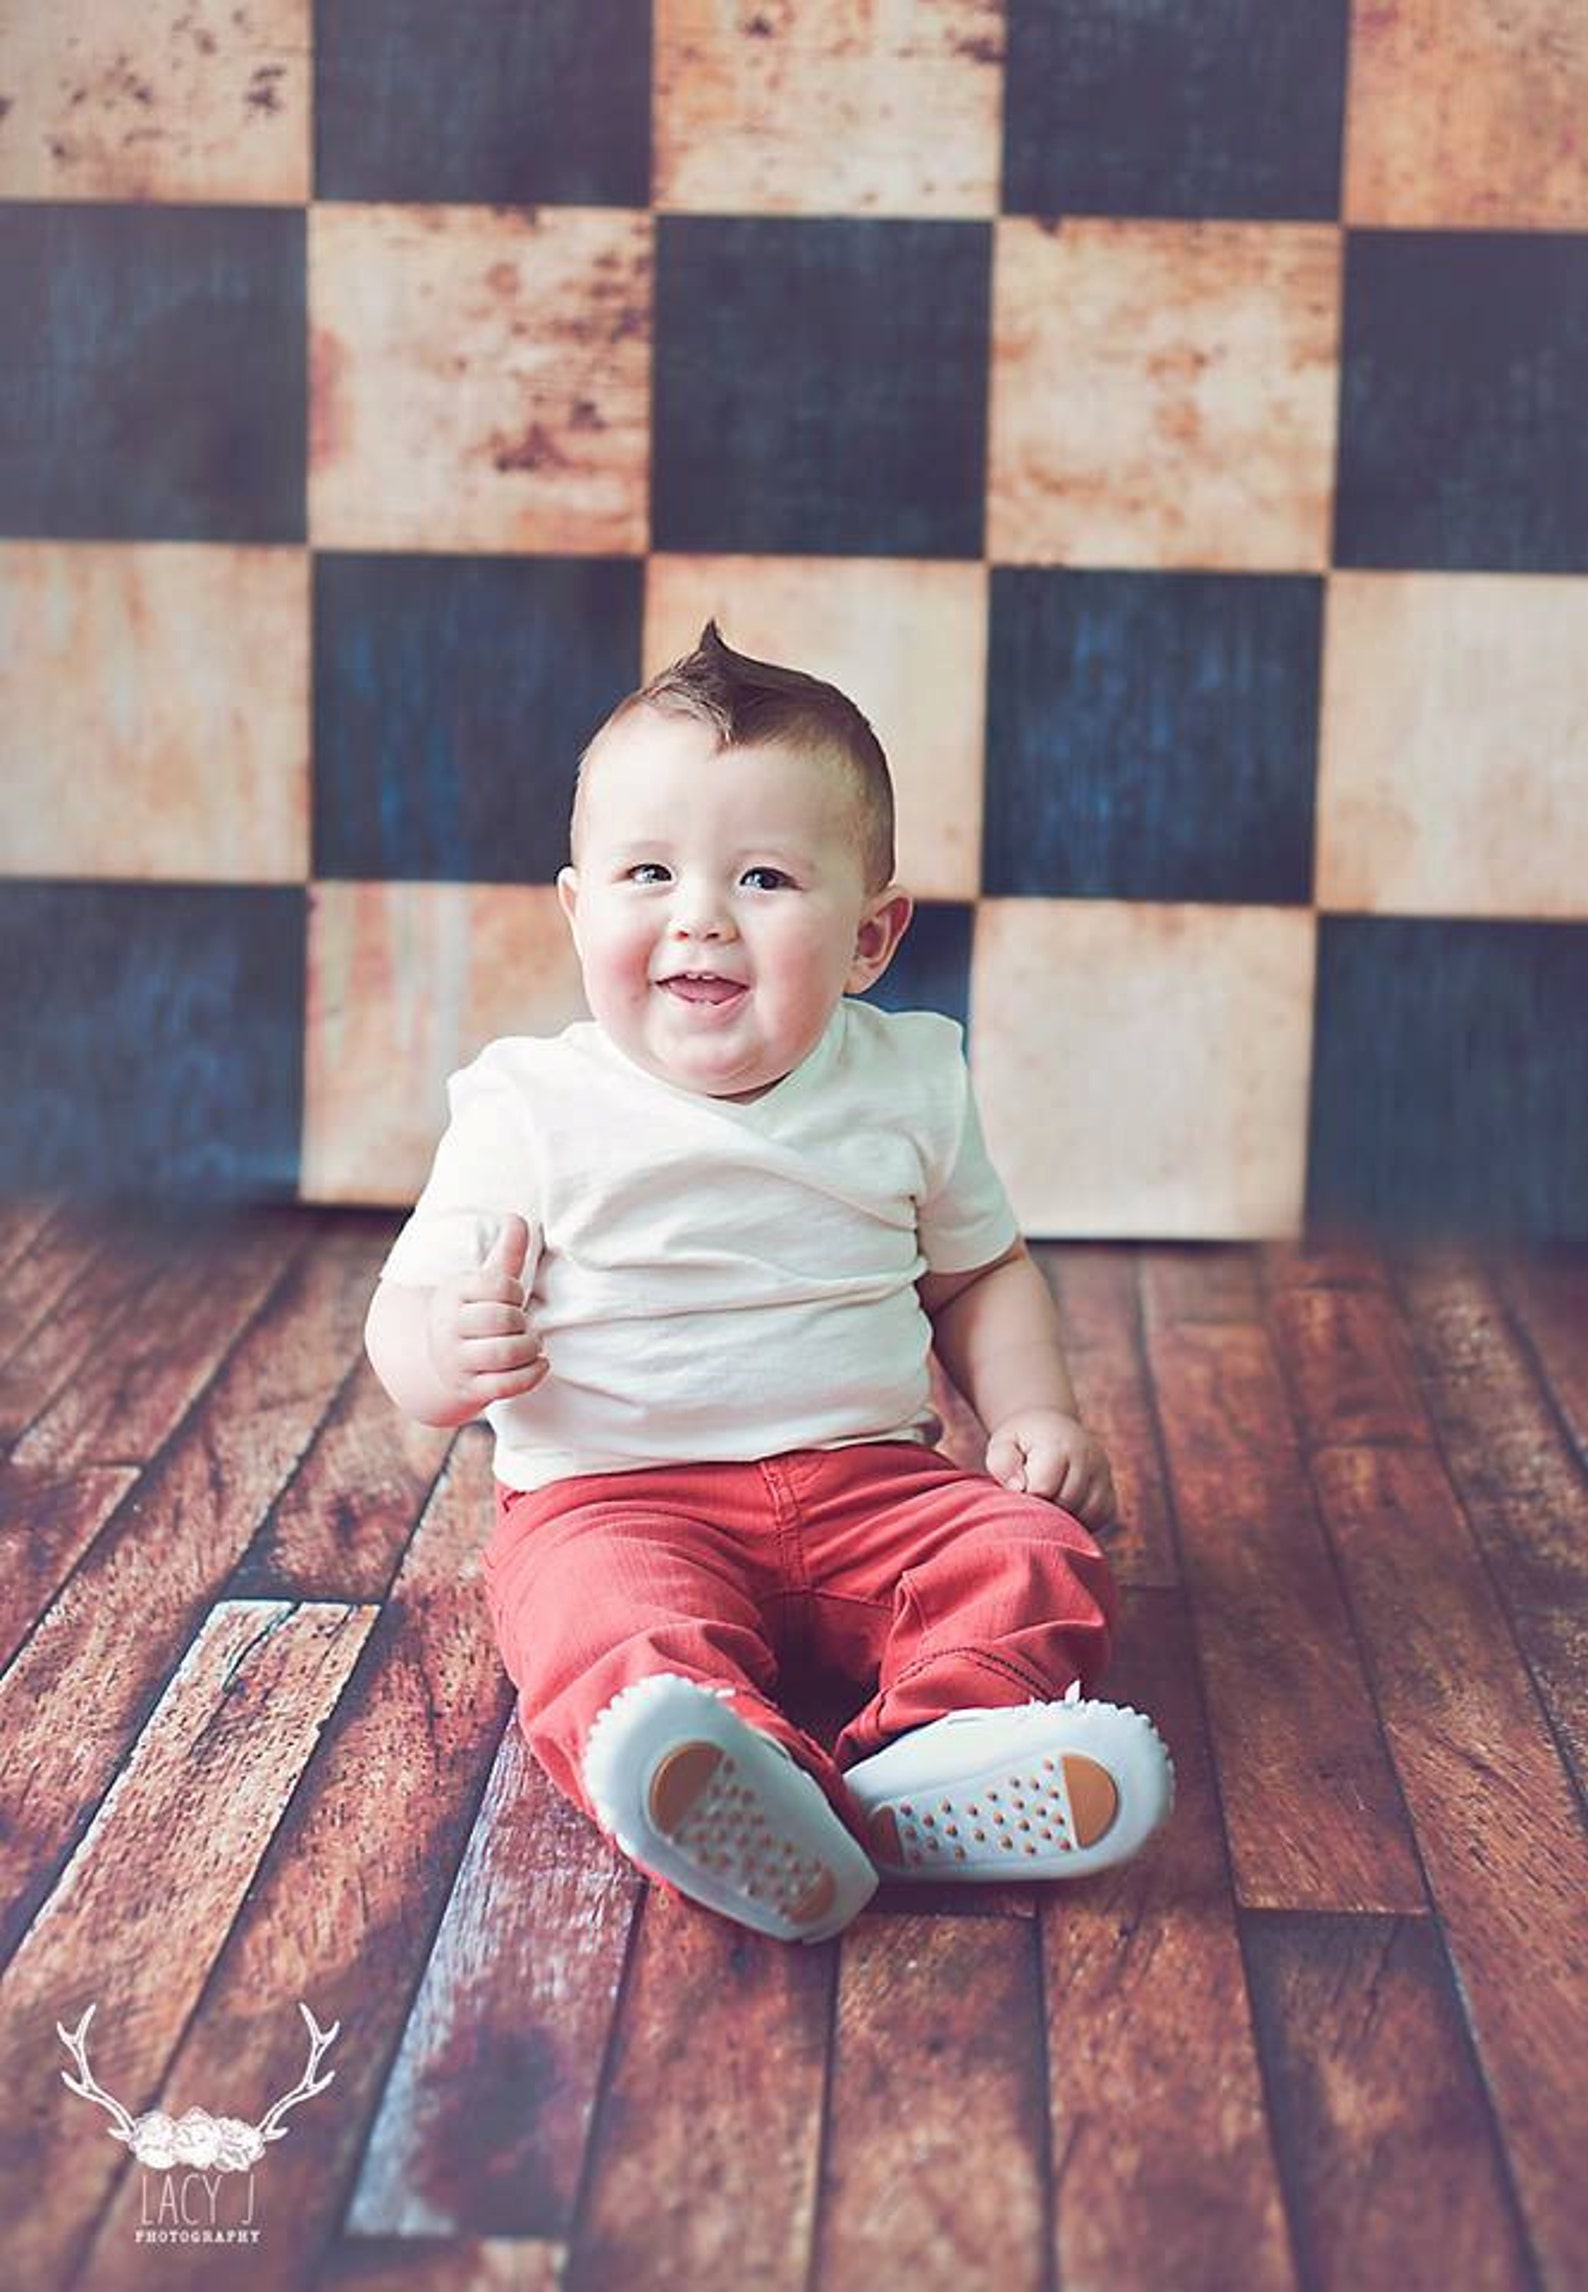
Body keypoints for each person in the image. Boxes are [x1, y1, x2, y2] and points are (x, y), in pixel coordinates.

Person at [364, 620, 1173, 1943]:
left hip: (874, 1488)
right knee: (603, 1632)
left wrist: (1040, 1418)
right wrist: (440, 1355)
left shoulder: (907, 1081)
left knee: (1037, 1557)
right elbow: (401, 1315)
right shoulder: (531, 1107)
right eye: (647, 872)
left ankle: (939, 1757)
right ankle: (733, 1777)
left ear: (871, 935)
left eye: (762, 877)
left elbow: (981, 1275)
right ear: (578, 914)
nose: (700, 915)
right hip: (613, 1503)